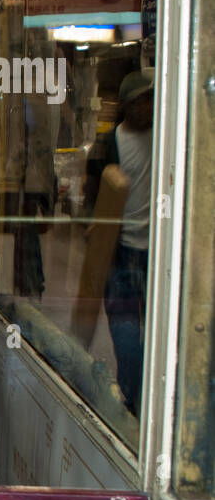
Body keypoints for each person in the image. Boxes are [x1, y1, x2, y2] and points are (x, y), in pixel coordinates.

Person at [84, 69, 154, 414]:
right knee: (126, 328)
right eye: (140, 100)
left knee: (151, 329)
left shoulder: (168, 138)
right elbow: (92, 196)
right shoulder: (109, 145)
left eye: (151, 99)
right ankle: (134, 397)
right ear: (125, 105)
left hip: (158, 255)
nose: (147, 107)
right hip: (121, 250)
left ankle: (142, 397)